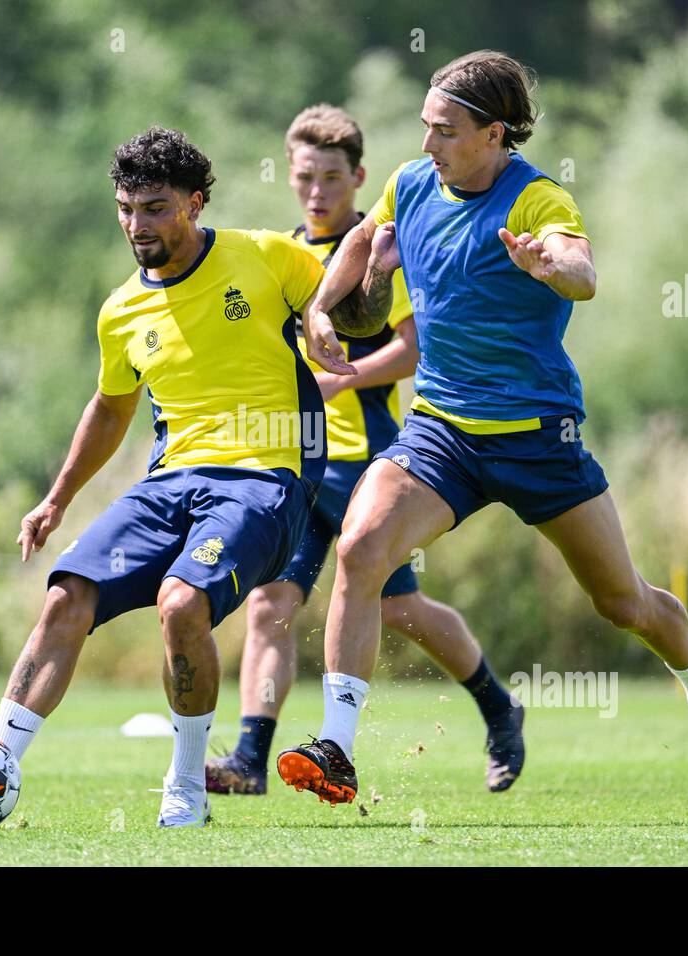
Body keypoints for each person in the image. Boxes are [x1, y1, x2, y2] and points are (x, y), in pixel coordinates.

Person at [278, 51, 688, 807]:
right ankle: (336, 747)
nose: (429, 144)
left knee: (624, 605)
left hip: (540, 438)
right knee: (362, 548)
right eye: (426, 127)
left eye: (445, 131)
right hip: (442, 431)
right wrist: (317, 309)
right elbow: (362, 242)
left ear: (494, 134)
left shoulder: (537, 200)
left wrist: (548, 267)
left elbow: (584, 274)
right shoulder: (410, 183)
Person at [0, 125, 393, 827]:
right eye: (126, 208)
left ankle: (186, 791)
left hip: (265, 484)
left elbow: (360, 314)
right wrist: (56, 499)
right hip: (170, 483)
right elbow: (109, 407)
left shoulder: (266, 257)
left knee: (182, 604)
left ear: (195, 202)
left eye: (154, 207)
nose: (137, 224)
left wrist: (367, 275)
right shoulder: (121, 310)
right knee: (67, 595)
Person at [205, 105, 524, 800]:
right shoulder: (285, 255)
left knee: (402, 610)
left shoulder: (380, 246)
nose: (316, 191)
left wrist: (336, 378)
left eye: (330, 177)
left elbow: (412, 350)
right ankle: (250, 760)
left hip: (368, 459)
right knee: (269, 605)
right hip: (294, 464)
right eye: (303, 177)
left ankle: (499, 706)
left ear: (359, 178)